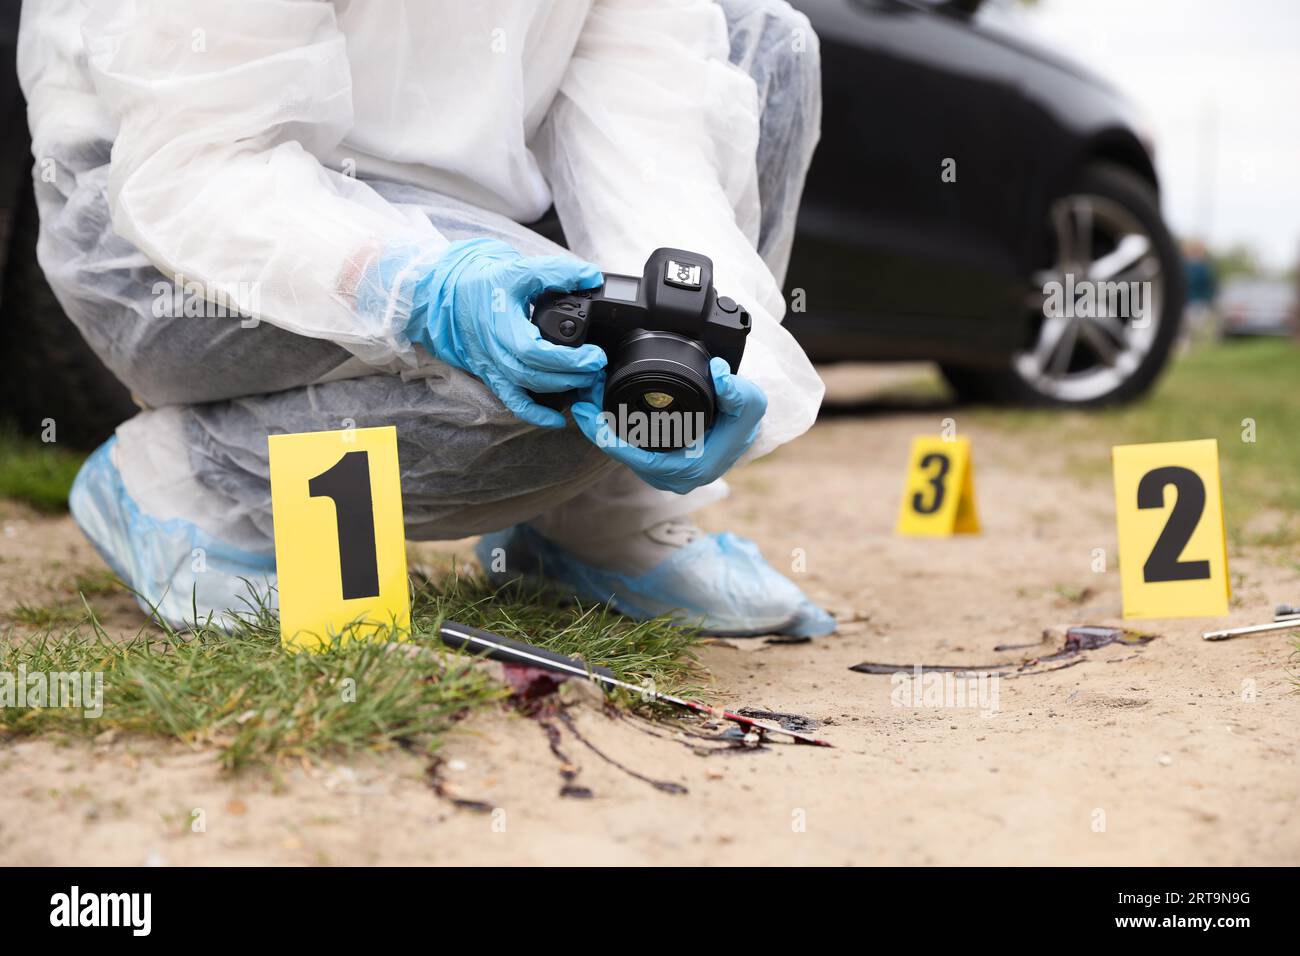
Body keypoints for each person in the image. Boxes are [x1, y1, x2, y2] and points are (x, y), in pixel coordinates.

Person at [18, 0, 834, 637]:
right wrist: (422, 289)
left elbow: (650, 122)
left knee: (761, 42)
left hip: (460, 215)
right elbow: (199, 171)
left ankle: (595, 521)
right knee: (556, 361)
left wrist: (704, 349)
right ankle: (198, 485)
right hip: (167, 233)